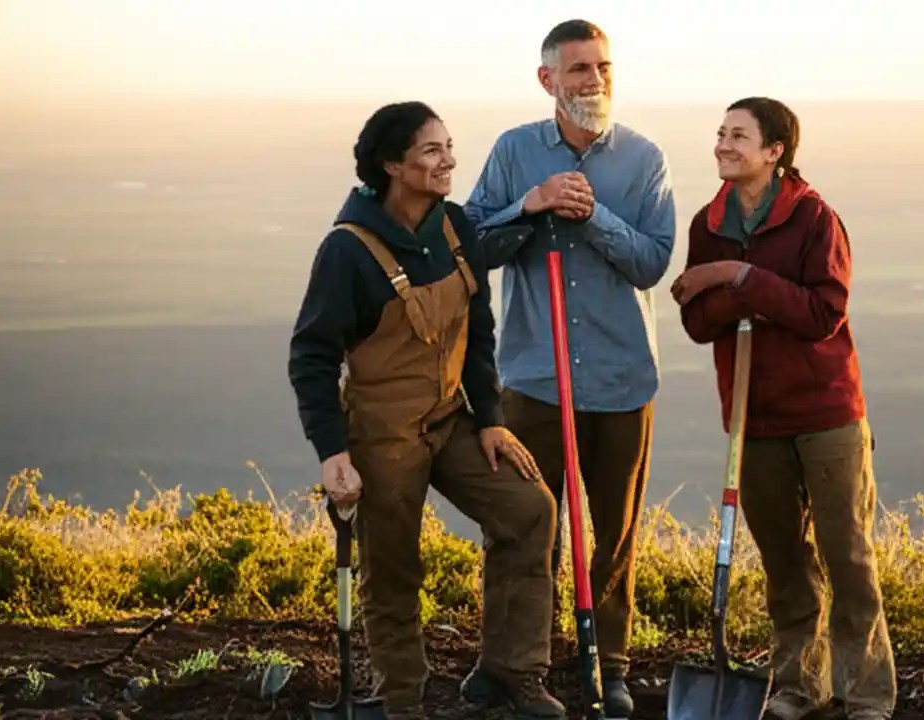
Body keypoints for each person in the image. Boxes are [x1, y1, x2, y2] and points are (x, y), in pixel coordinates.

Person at [287, 101, 566, 720]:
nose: (449, 161)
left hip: (452, 418)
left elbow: (479, 330)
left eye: (448, 146)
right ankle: (401, 702)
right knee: (394, 570)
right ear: (392, 165)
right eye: (432, 151)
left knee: (529, 509)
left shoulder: (454, 227)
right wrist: (334, 453)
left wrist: (490, 418)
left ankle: (510, 671)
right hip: (381, 435)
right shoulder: (348, 251)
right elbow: (311, 355)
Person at [462, 18, 676, 718]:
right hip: (533, 380)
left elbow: (651, 261)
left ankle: (605, 667)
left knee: (612, 532)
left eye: (604, 68)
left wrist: (593, 218)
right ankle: (511, 667)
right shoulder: (514, 151)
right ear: (547, 80)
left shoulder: (644, 160)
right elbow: (471, 245)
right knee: (524, 523)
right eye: (580, 69)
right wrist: (532, 204)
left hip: (621, 380)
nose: (595, 81)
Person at [671, 97, 897, 720]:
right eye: (720, 132)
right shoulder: (706, 223)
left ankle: (869, 694)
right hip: (754, 418)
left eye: (738, 136)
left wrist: (737, 277)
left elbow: (822, 314)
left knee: (847, 556)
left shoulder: (815, 219)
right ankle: (800, 686)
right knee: (785, 563)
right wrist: (735, 291)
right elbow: (694, 318)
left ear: (775, 152)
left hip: (826, 415)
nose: (723, 143)